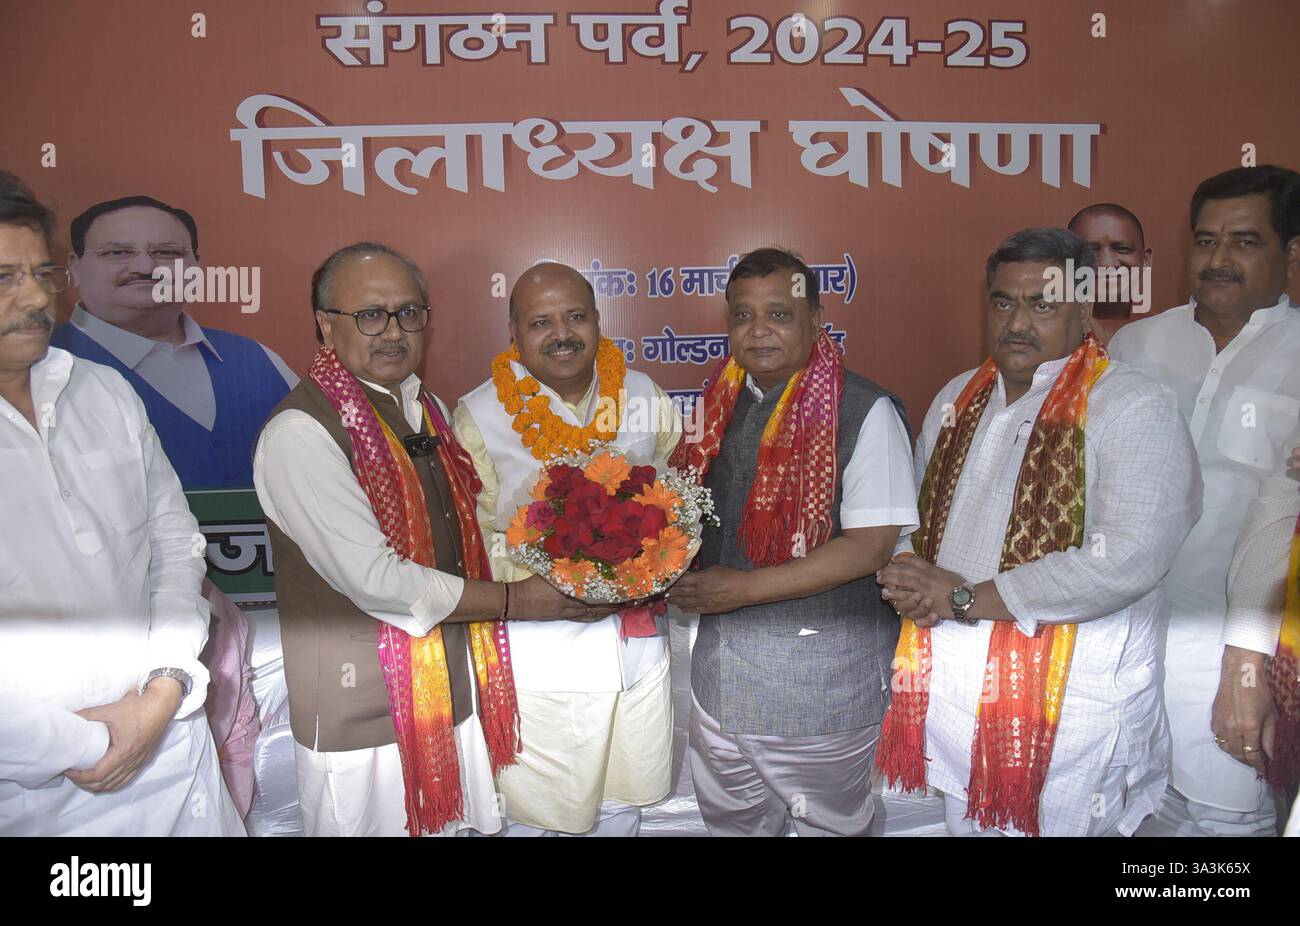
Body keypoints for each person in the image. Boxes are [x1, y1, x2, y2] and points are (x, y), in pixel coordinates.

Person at [253, 243, 601, 837]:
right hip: (363, 718)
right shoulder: (301, 432)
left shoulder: (427, 408)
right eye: (370, 315)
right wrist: (518, 600)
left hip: (450, 692)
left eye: (408, 313)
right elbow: (376, 580)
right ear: (325, 324)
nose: (393, 332)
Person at [876, 228, 1200, 837]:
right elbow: (910, 516)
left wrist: (964, 598)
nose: (1018, 323)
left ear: (1084, 306)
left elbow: (1128, 558)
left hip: (1070, 710)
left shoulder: (1132, 404)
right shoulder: (958, 396)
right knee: (965, 822)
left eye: (1042, 305)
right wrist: (908, 575)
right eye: (1004, 302)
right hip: (955, 687)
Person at [0, 171, 243, 836]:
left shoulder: (101, 390)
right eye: (4, 278)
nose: (35, 297)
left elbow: (174, 546)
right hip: (43, 794)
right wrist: (96, 743)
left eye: (41, 273)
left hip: (178, 758)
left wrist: (165, 688)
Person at [668, 247, 918, 837]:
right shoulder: (719, 404)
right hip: (720, 679)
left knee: (832, 827)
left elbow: (872, 546)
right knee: (735, 825)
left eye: (779, 314)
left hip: (821, 685)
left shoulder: (865, 409)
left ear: (815, 319)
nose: (758, 331)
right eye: (743, 315)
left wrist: (744, 590)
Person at [453, 261, 682, 836]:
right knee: (540, 814)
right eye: (541, 322)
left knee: (622, 808)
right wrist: (563, 578)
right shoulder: (478, 415)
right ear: (514, 332)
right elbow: (472, 537)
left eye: (576, 316)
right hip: (540, 655)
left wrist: (642, 569)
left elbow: (678, 501)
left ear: (598, 320)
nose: (562, 334)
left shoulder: (643, 394)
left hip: (634, 643)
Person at [1109, 165, 1300, 836]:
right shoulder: (1134, 345)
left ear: (1292, 252)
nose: (1218, 259)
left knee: (1229, 817)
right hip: (1123, 630)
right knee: (1135, 809)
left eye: (1245, 241)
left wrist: (1252, 666)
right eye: (1205, 240)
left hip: (1237, 644)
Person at [53, 195, 294, 489]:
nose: (145, 267)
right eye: (117, 252)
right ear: (75, 267)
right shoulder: (41, 368)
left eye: (167, 253)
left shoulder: (256, 359)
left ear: (196, 266)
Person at [1067, 202, 1152, 342]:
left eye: (1122, 249)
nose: (1107, 263)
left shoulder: (1164, 331)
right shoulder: (1048, 330)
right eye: (1090, 250)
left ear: (1145, 259)